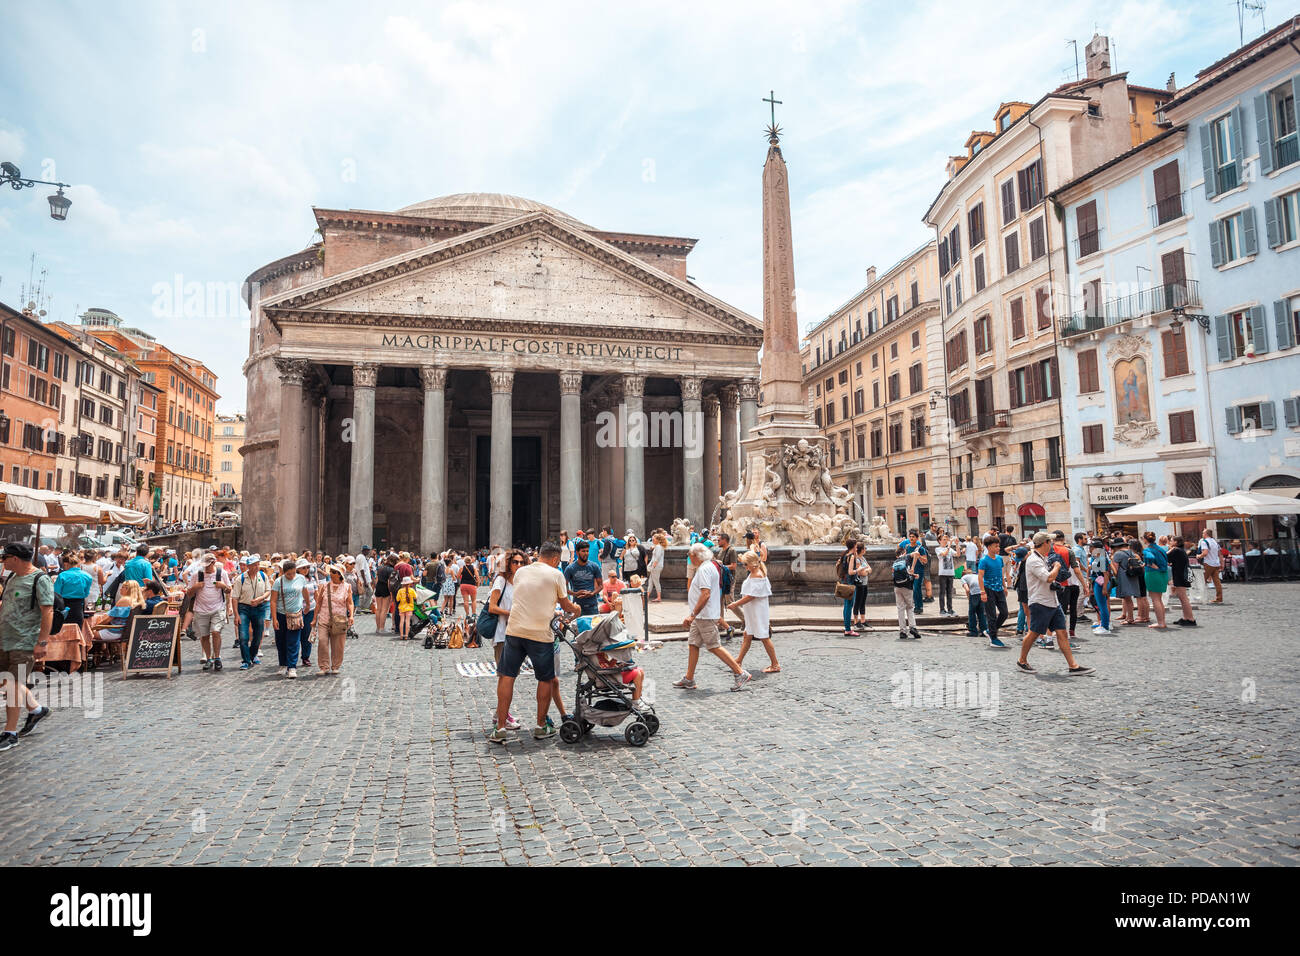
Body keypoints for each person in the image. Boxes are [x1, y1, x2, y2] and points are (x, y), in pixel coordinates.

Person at [488, 541, 580, 745]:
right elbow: (565, 605)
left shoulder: (521, 572)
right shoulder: (557, 574)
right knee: (545, 679)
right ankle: (540, 726)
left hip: (515, 630)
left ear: (540, 555)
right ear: (556, 559)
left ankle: (500, 727)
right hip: (540, 633)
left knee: (507, 676)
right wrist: (577, 610)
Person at [672, 543, 752, 691]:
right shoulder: (709, 566)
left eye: (690, 555)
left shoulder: (704, 570)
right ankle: (689, 679)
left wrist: (692, 615)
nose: (689, 558)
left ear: (696, 556)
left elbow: (705, 594)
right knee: (693, 644)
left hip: (704, 615)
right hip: (703, 615)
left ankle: (740, 673)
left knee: (714, 646)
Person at [1016, 532, 1096, 676]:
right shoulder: (1034, 560)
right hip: (1040, 602)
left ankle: (1073, 665)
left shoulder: (1043, 558)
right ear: (1045, 543)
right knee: (1034, 633)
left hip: (1052, 601)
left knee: (1062, 633)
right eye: (1050, 542)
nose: (1052, 545)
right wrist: (1057, 567)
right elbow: (1048, 577)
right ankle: (1022, 660)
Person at [0, 542, 54, 752]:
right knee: (6, 682)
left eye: (5, 557)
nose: (3, 561)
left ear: (14, 559)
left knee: (13, 686)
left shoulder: (39, 579)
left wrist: (42, 641)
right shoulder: (12, 577)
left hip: (25, 641)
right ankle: (36, 709)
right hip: (5, 638)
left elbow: (47, 611)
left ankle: (10, 733)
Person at [730, 550, 779, 673]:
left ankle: (775, 664)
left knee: (764, 636)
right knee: (747, 635)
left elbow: (752, 595)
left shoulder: (757, 574)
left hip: (757, 611)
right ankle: (738, 661)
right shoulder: (756, 572)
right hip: (754, 610)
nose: (744, 566)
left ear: (752, 564)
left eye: (745, 564)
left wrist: (736, 604)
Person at [191, 552, 231, 672]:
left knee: (215, 631)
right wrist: (195, 587)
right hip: (200, 610)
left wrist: (223, 586)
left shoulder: (221, 573)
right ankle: (209, 659)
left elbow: (229, 590)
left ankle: (217, 657)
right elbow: (189, 593)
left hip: (217, 608)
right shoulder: (196, 575)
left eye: (207, 565)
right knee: (204, 636)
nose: (205, 567)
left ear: (213, 563)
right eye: (204, 565)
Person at [269, 559, 306, 680]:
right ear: (284, 573)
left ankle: (292, 666)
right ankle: (283, 664)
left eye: (293, 573)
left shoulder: (301, 578)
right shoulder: (278, 582)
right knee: (281, 641)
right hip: (281, 614)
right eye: (289, 574)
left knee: (293, 641)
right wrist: (274, 619)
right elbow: (273, 600)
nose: (291, 576)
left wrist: (308, 605)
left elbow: (304, 591)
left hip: (295, 614)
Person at [231, 554, 270, 669]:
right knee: (243, 636)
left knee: (258, 635)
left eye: (257, 564)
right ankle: (246, 660)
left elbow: (268, 591)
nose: (257, 567)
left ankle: (253, 655)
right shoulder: (240, 579)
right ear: (248, 566)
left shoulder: (263, 576)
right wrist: (236, 615)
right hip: (244, 608)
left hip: (259, 607)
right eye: (254, 565)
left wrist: (260, 598)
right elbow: (234, 598)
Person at [314, 565, 353, 674]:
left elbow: (349, 602)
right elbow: (319, 603)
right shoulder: (324, 586)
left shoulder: (347, 587)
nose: (331, 573)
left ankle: (335, 666)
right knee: (322, 641)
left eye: (334, 572)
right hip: (324, 617)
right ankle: (324, 667)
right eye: (331, 571)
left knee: (338, 644)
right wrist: (314, 618)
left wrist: (351, 616)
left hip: (339, 619)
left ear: (339, 575)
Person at [977, 535, 1008, 647]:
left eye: (998, 546)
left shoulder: (999, 559)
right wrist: (982, 592)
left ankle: (991, 631)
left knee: (1004, 613)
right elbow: (980, 576)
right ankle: (993, 638)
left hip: (999, 588)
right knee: (991, 615)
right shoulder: (984, 560)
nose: (998, 548)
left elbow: (1001, 573)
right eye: (996, 546)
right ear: (989, 547)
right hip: (988, 589)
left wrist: (1004, 586)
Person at [1112, 538, 1146, 625]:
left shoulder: (1117, 554)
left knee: (1127, 598)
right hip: (1133, 576)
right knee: (1129, 598)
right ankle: (1129, 617)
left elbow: (1115, 570)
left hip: (1123, 577)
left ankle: (1130, 618)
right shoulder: (1131, 552)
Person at [891, 549, 921, 640]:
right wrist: (913, 567)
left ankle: (902, 631)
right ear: (903, 552)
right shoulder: (907, 557)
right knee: (910, 607)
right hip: (907, 586)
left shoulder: (895, 562)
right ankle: (912, 627)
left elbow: (894, 575)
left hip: (897, 587)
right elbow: (916, 553)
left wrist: (911, 574)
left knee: (900, 608)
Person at [563, 546, 602, 617]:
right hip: (577, 606)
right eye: (583, 551)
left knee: (594, 626)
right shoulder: (570, 568)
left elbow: (601, 586)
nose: (586, 553)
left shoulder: (594, 566)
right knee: (578, 627)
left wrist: (592, 593)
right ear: (577, 553)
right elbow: (563, 588)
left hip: (592, 605)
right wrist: (575, 593)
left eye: (587, 551)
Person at [1141, 531, 1169, 630]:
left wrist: (1151, 564)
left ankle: (1160, 623)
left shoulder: (1147, 550)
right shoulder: (1160, 548)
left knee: (1155, 600)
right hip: (1163, 574)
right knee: (1159, 599)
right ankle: (1162, 621)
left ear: (1145, 539)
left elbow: (1150, 557)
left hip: (1153, 574)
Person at [1167, 537, 1197, 626]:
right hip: (1181, 574)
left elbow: (1165, 556)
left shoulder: (1176, 550)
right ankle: (1186, 617)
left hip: (1180, 575)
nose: (1170, 542)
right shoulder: (1180, 550)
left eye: (1171, 540)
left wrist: (1171, 548)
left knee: (1183, 597)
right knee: (1182, 597)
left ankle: (1190, 619)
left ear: (1176, 542)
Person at [1087, 540, 1114, 635]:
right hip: (1098, 582)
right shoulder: (1098, 557)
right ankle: (1103, 624)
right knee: (1101, 605)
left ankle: (1105, 626)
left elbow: (1105, 574)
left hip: (1101, 583)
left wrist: (1104, 588)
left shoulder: (1101, 558)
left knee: (1102, 606)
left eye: (1092, 547)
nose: (1090, 549)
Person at [837, 540, 860, 637]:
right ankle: (847, 629)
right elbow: (851, 572)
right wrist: (859, 569)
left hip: (844, 581)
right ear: (854, 546)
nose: (857, 547)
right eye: (856, 545)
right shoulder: (851, 557)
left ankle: (847, 627)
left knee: (846, 606)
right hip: (849, 583)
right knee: (849, 606)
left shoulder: (845, 555)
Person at [902, 529, 928, 614]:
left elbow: (925, 561)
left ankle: (919, 606)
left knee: (917, 588)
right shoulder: (907, 547)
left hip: (918, 571)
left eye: (913, 537)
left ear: (917, 538)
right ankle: (912, 606)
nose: (911, 538)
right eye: (910, 537)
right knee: (910, 589)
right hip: (909, 571)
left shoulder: (920, 548)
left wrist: (919, 556)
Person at [960, 561, 986, 638]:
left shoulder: (963, 578)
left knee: (972, 613)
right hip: (982, 592)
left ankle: (973, 631)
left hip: (974, 593)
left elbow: (967, 589)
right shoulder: (976, 575)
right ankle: (984, 631)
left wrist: (969, 598)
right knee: (981, 613)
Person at [849, 540, 871, 631]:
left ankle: (863, 620)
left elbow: (870, 569)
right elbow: (862, 573)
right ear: (861, 550)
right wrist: (866, 571)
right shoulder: (857, 559)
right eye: (864, 548)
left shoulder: (863, 558)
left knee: (863, 602)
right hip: (859, 584)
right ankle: (855, 621)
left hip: (865, 583)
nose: (865, 549)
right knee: (857, 602)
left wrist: (866, 570)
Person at [1197, 530, 1223, 603]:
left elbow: (1205, 553)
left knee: (1202, 581)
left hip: (1208, 563)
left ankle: (1201, 597)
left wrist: (1199, 556)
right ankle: (1219, 598)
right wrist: (1222, 563)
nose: (1202, 534)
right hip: (1216, 563)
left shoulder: (1204, 542)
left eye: (1203, 533)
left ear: (1205, 534)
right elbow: (1220, 554)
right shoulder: (1215, 542)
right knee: (1217, 582)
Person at [935, 533, 956, 616]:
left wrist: (957, 544)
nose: (946, 541)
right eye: (944, 539)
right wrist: (949, 545)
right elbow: (944, 554)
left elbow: (958, 554)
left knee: (949, 592)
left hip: (950, 573)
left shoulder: (950, 549)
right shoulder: (938, 549)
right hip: (943, 573)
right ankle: (942, 610)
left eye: (946, 540)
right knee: (942, 592)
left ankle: (950, 609)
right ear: (939, 541)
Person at [647, 532, 666, 603]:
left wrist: (653, 566)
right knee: (651, 581)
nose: (652, 540)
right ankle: (648, 595)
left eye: (653, 539)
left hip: (656, 566)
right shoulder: (658, 546)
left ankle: (659, 597)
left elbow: (657, 558)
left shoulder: (658, 547)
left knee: (655, 581)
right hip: (657, 566)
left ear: (657, 540)